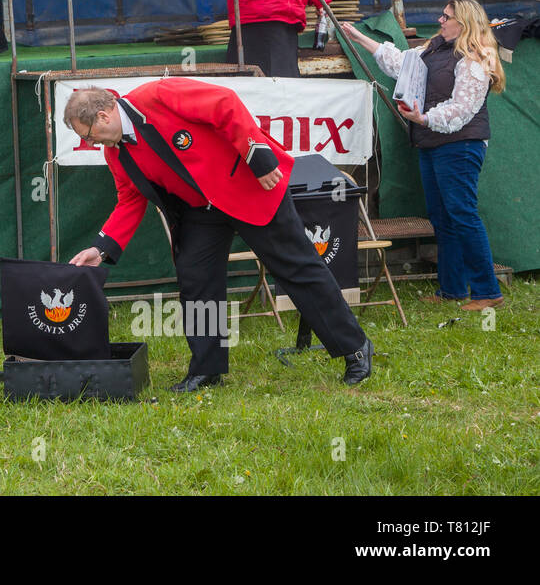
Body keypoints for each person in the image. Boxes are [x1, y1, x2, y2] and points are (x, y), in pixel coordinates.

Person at [63, 80, 373, 391]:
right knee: (196, 280)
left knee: (297, 268)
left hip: (249, 186)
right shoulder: (117, 155)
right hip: (200, 210)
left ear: (103, 116)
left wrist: (258, 157)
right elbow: (130, 200)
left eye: (88, 135)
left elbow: (224, 103)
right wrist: (100, 249)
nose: (91, 143)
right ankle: (207, 369)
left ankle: (355, 348)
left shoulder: (156, 96)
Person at [341, 0, 506, 310]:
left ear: (465, 23)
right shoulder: (435, 47)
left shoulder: (474, 58)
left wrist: (425, 118)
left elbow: (463, 108)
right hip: (432, 142)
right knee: (443, 217)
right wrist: (360, 38)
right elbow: (400, 61)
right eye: (442, 16)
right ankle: (453, 289)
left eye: (446, 17)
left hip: (461, 144)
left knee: (462, 214)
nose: (440, 21)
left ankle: (487, 292)